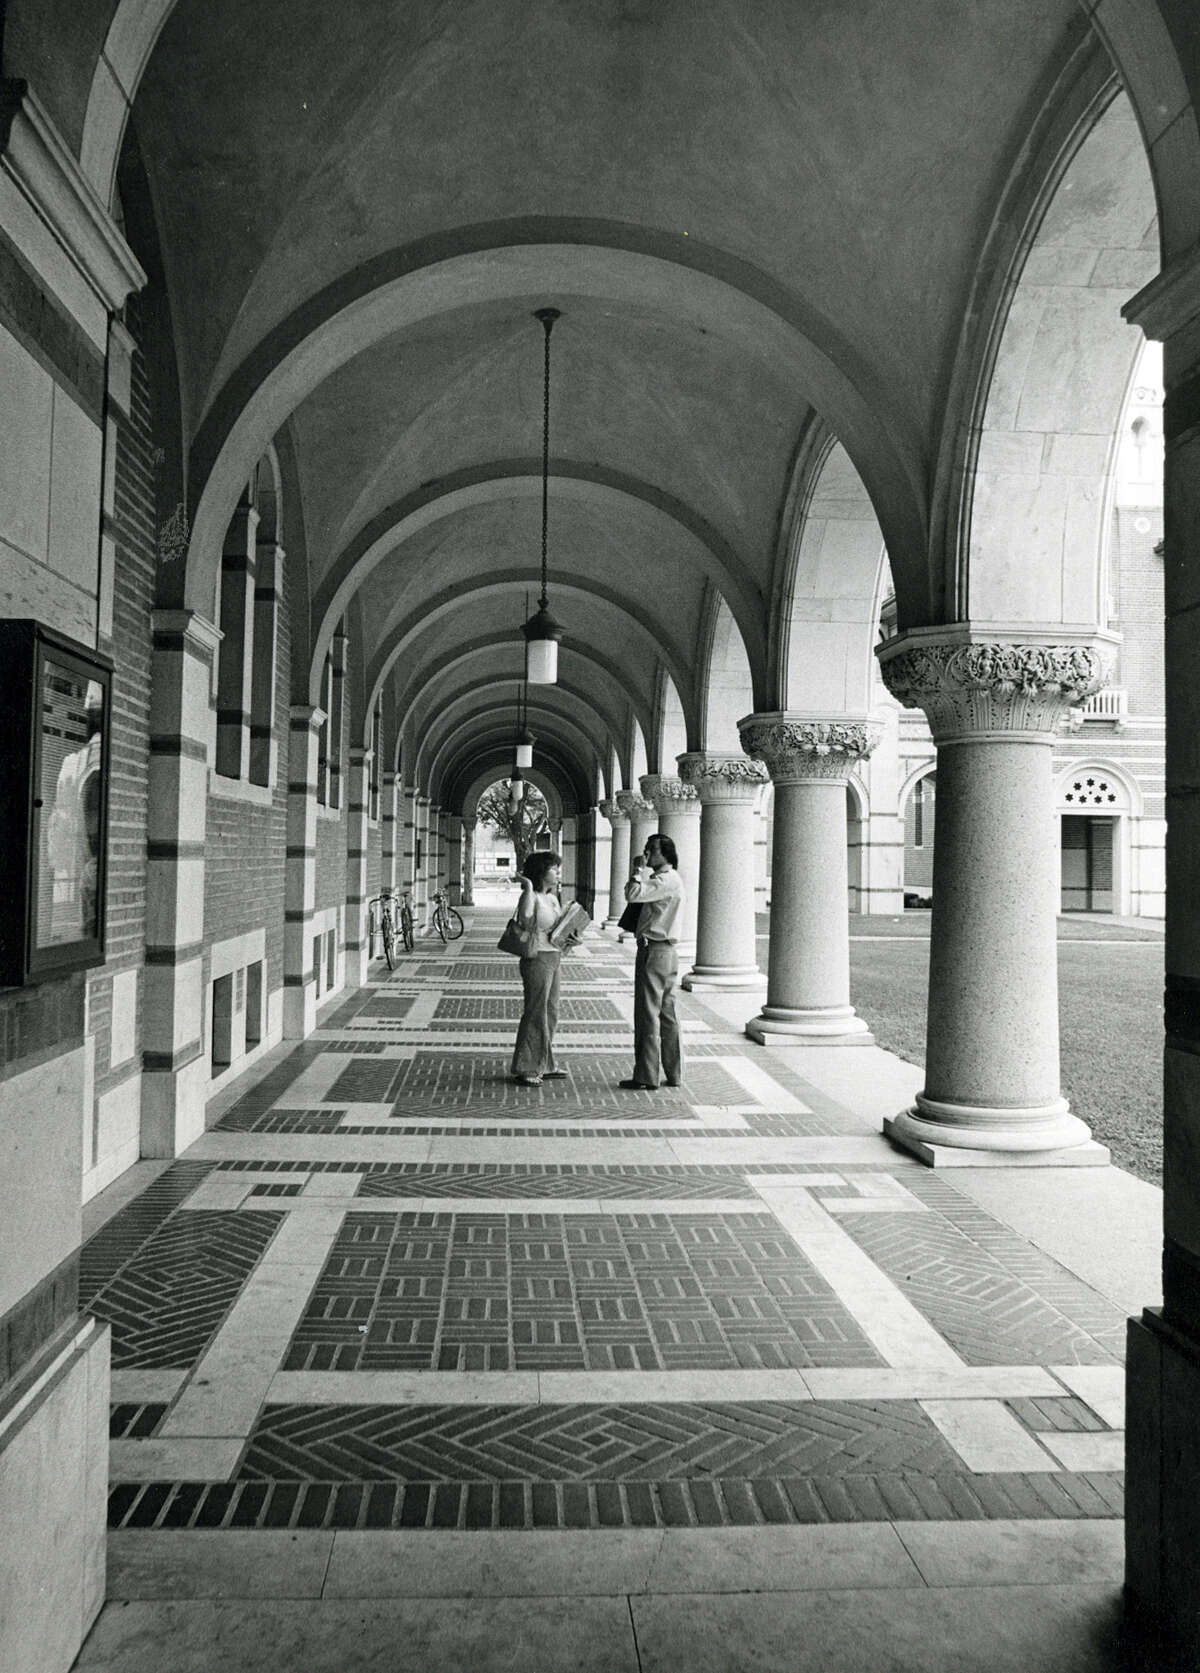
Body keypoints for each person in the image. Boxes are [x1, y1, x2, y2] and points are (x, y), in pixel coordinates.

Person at [619, 832, 684, 1090]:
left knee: (648, 1015)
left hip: (654, 952)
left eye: (651, 850)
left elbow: (632, 894)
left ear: (664, 853)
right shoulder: (669, 880)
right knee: (667, 1015)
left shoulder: (664, 881)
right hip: (665, 952)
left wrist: (637, 869)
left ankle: (646, 1076)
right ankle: (673, 1072)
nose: (646, 854)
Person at [510, 850, 568, 1087]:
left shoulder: (553, 899)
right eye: (554, 869)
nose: (557, 873)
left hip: (554, 956)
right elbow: (524, 919)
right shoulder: (531, 896)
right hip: (536, 958)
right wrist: (527, 887)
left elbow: (558, 927)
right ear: (542, 872)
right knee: (535, 1011)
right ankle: (527, 1067)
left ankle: (545, 1062)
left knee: (551, 1011)